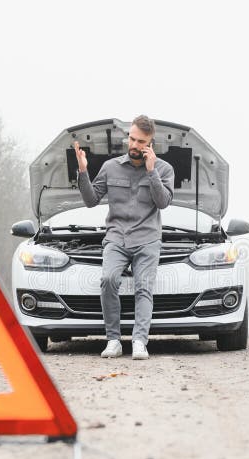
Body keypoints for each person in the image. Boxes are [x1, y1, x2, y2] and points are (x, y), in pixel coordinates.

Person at [75, 115, 174, 359]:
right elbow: (90, 200)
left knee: (143, 288)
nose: (134, 145)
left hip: (147, 239)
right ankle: (114, 341)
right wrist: (83, 170)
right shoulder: (110, 167)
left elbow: (163, 202)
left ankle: (140, 341)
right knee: (108, 280)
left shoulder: (164, 169)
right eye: (132, 138)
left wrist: (152, 173)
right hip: (116, 238)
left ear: (150, 143)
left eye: (141, 141)